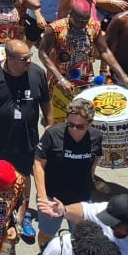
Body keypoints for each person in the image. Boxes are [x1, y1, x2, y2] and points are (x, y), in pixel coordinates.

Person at [0, 38, 50, 238]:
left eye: (29, 57)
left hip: (27, 140)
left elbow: (46, 101)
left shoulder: (37, 73)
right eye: (23, 59)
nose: (29, 62)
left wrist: (49, 124)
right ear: (9, 58)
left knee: (24, 177)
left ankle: (24, 214)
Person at [33, 98, 103, 247]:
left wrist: (91, 181)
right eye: (70, 124)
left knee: (82, 239)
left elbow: (95, 161)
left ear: (90, 124)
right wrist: (43, 197)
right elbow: (38, 163)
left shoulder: (97, 136)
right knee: (46, 235)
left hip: (81, 199)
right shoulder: (52, 134)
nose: (74, 129)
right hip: (52, 197)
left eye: (80, 126)